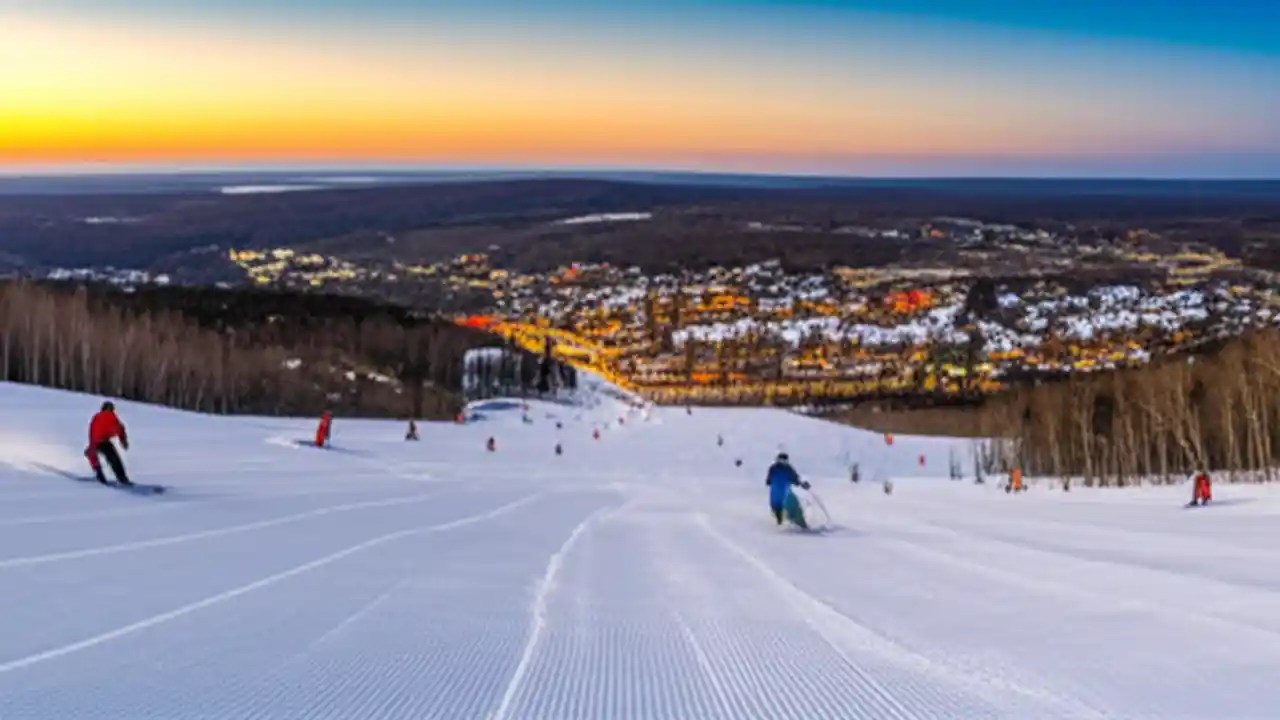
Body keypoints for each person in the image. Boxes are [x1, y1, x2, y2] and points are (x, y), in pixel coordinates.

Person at [86, 401, 131, 485]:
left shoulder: (96, 417)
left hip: (94, 442)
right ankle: (122, 478)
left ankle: (100, 476)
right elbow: (120, 428)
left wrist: (92, 446)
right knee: (114, 459)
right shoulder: (111, 416)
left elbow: (92, 431)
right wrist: (123, 441)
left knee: (93, 456)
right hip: (103, 442)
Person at [765, 453, 808, 525]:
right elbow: (796, 480)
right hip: (782, 497)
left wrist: (801, 484)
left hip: (781, 497)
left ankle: (797, 525)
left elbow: (768, 482)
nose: (783, 462)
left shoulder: (776, 468)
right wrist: (801, 484)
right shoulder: (783, 468)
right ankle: (796, 525)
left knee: (789, 511)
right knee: (788, 511)